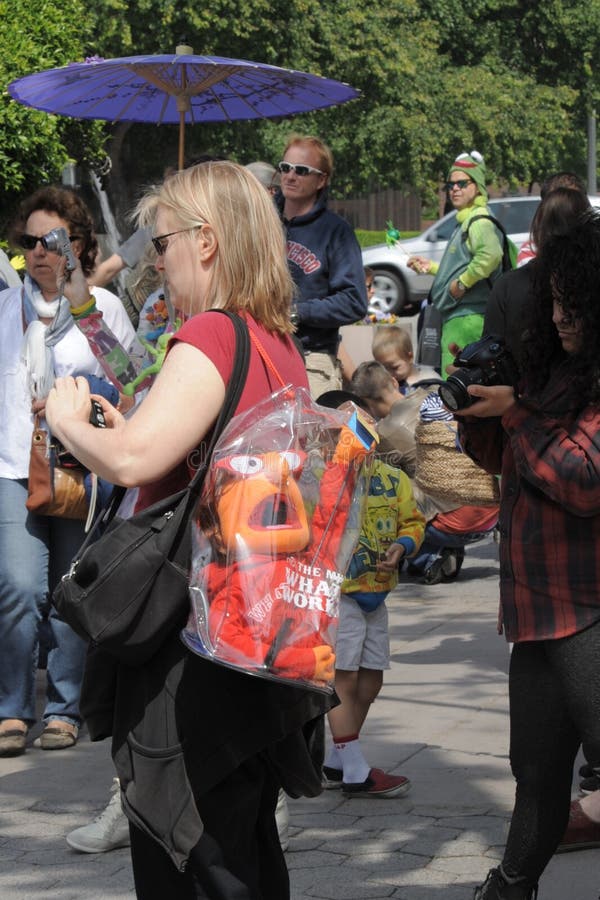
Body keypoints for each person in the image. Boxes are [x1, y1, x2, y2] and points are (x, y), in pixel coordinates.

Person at [45, 161, 333, 899]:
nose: (154, 264)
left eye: (162, 244)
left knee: (192, 859)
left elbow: (138, 457)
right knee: (242, 851)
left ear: (206, 243)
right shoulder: (274, 341)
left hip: (192, 644)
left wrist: (69, 423)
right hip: (255, 641)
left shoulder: (212, 332)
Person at [456, 210, 600, 899]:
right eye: (556, 299)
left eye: (577, 301)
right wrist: (478, 421)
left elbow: (582, 479)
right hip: (538, 613)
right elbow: (512, 465)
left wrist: (515, 414)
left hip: (588, 610)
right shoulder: (555, 373)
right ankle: (509, 888)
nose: (562, 314)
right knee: (535, 777)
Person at [0, 186, 138, 757]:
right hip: (12, 465)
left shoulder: (99, 309)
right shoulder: (7, 308)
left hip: (81, 469)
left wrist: (84, 397)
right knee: (18, 586)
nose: (39, 251)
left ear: (78, 246)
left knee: (68, 589)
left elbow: (133, 379)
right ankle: (11, 708)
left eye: (52, 240)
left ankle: (63, 707)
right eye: (29, 241)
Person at [316, 390, 425, 797]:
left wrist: (402, 546)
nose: (357, 434)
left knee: (370, 681)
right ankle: (356, 769)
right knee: (343, 679)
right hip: (340, 596)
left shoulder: (392, 480)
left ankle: (338, 759)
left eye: (363, 424)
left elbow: (413, 523)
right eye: (343, 427)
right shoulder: (321, 480)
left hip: (377, 597)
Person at [274, 134, 368, 398]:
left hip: (311, 359)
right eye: (285, 167)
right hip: (262, 354)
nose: (291, 176)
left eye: (302, 170)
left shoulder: (336, 232)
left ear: (322, 180)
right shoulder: (262, 222)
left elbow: (354, 301)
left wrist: (295, 312)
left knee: (311, 439)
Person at [407, 151, 504, 376]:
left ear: (477, 186)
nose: (454, 189)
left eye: (461, 183)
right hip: (460, 318)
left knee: (459, 387)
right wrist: (430, 267)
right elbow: (463, 265)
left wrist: (461, 284)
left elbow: (490, 256)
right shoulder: (465, 220)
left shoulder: (478, 221)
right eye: (450, 185)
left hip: (468, 320)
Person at [484, 186, 591, 372]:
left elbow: (491, 354)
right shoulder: (511, 284)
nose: (558, 317)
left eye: (571, 303)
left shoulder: (509, 285)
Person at [515, 171, 587, 267]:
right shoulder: (530, 251)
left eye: (573, 203)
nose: (566, 212)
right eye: (558, 205)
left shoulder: (593, 247)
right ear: (545, 209)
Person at [371, 324, 438, 394]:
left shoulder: (428, 381)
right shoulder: (387, 385)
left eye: (394, 368)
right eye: (384, 369)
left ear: (410, 357)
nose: (390, 374)